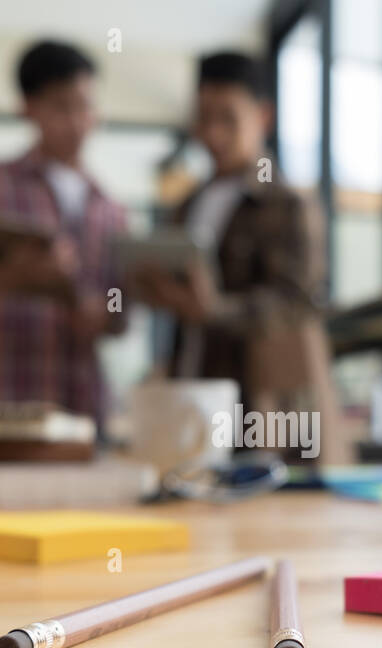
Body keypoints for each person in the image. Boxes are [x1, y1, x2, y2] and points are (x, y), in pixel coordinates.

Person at [137, 51, 335, 444]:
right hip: (194, 387)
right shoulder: (187, 204)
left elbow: (298, 301)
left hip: (264, 402)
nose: (212, 133)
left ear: (263, 116)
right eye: (203, 117)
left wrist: (214, 309)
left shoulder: (289, 204)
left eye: (227, 118)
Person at [0, 40, 126, 423]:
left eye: (85, 106)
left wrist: (101, 315)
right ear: (27, 108)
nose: (76, 121)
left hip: (82, 414)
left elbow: (121, 312)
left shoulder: (111, 209)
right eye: (61, 107)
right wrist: (16, 275)